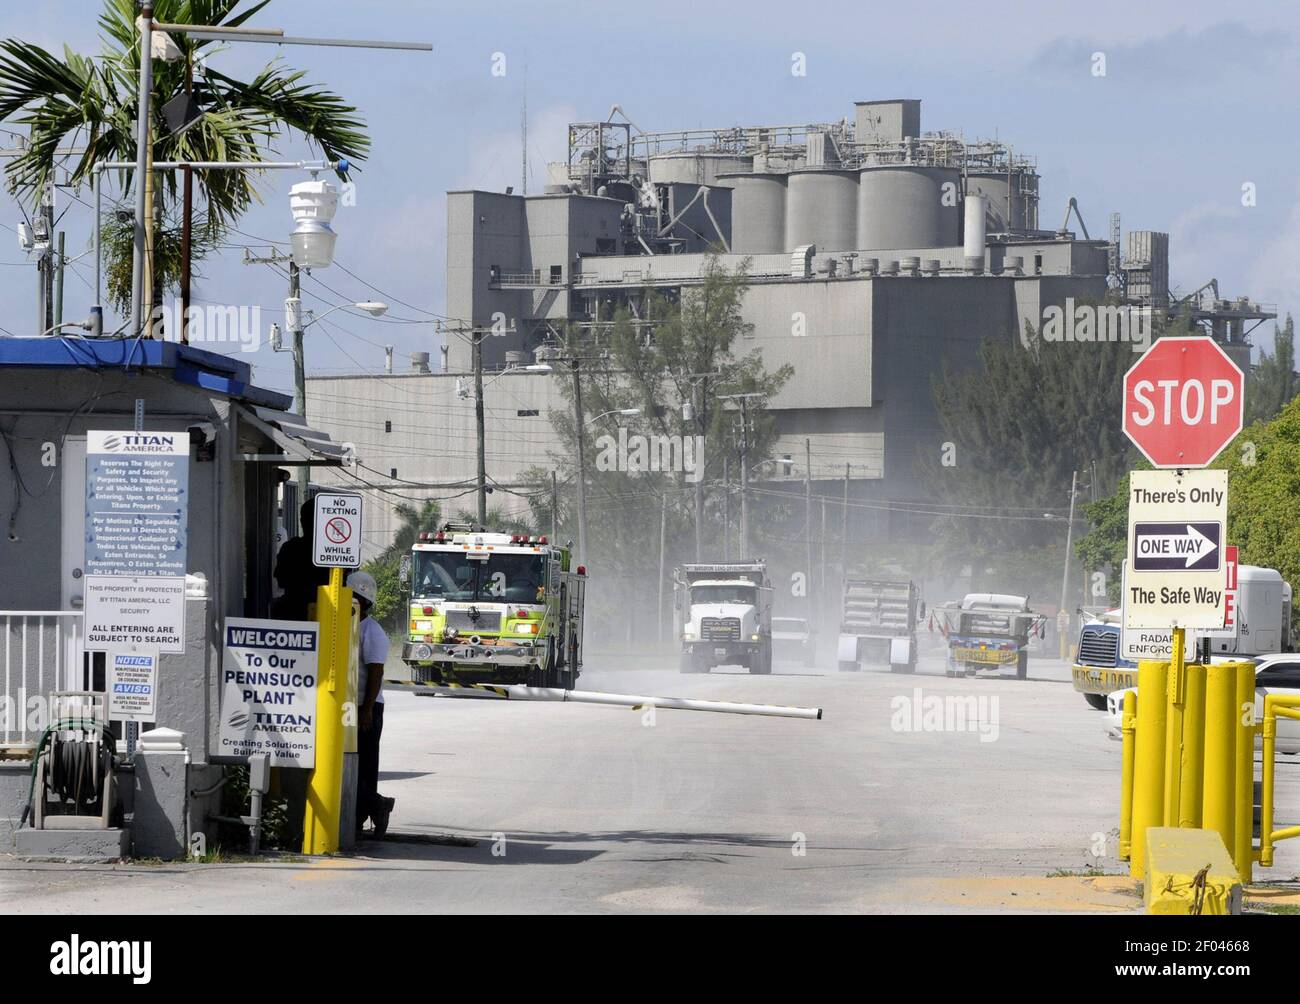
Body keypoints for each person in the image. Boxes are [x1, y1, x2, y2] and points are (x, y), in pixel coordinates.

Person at [348, 571, 395, 838]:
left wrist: (365, 710)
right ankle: (362, 813)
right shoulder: (347, 625)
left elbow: (376, 673)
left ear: (361, 601)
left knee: (363, 766)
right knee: (350, 765)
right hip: (348, 706)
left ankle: (376, 806)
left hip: (366, 708)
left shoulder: (372, 631)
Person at [272, 499, 331, 620]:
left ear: (302, 521)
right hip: (326, 613)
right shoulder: (332, 554)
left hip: (292, 613)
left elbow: (281, 580)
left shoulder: (291, 548)